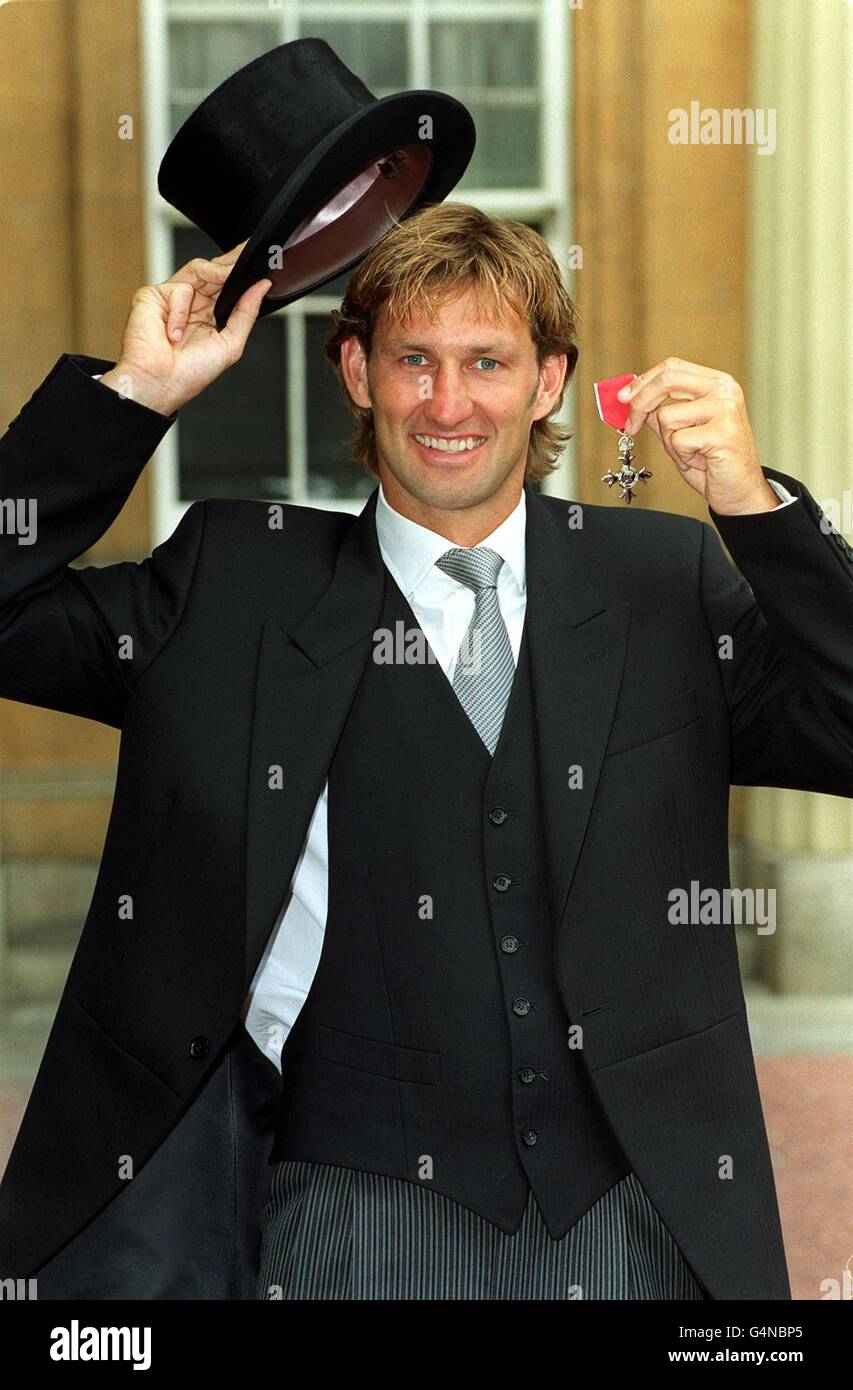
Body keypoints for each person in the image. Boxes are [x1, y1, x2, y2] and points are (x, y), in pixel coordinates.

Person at [1, 203, 851, 1301]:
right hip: (349, 1225)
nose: (448, 404)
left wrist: (758, 509)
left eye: (487, 361)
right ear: (356, 372)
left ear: (549, 382)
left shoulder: (662, 582)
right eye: (414, 359)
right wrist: (130, 399)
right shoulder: (235, 583)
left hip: (635, 1218)